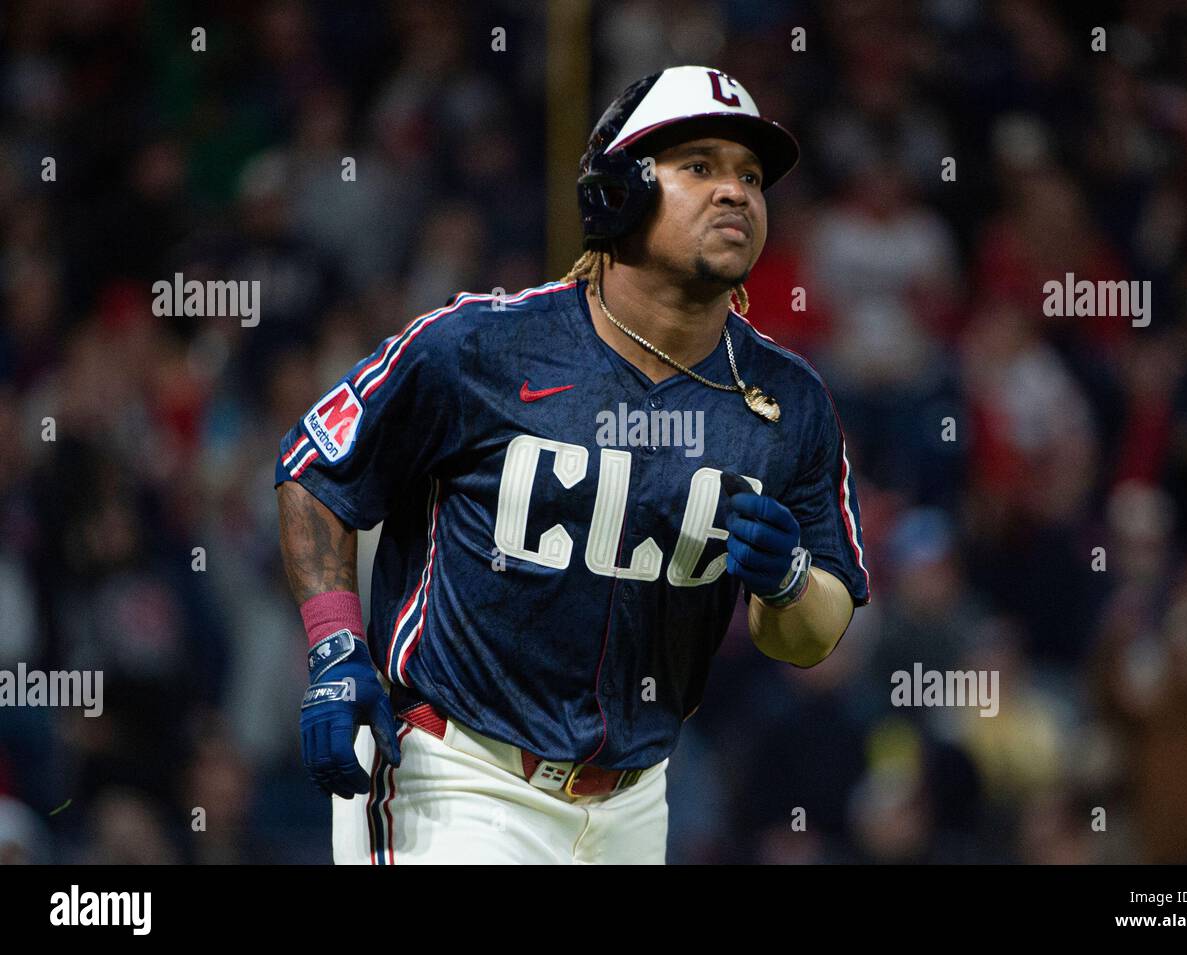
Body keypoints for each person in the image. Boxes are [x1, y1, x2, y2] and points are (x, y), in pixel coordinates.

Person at [275, 65, 870, 864]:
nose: (736, 192)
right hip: (458, 778)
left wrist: (789, 581)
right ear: (615, 192)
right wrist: (335, 650)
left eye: (751, 176)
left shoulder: (787, 401)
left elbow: (812, 631)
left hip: (633, 800)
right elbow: (318, 467)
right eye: (700, 166)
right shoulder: (481, 344)